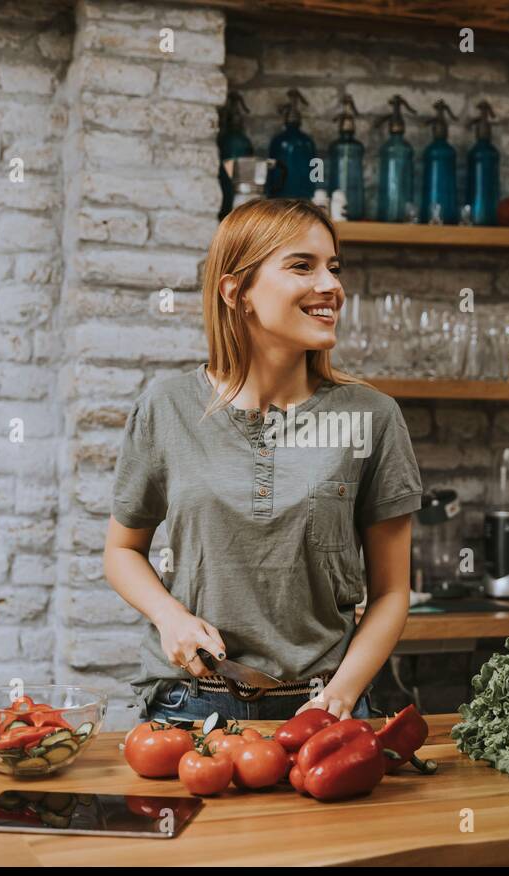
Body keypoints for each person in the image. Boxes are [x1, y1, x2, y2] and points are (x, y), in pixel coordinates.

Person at [104, 198, 422, 725]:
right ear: (237, 291)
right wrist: (169, 618)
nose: (332, 286)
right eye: (303, 266)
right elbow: (121, 551)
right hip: (189, 710)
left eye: (334, 268)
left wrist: (338, 700)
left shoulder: (373, 416)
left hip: (327, 711)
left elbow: (391, 592)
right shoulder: (167, 407)